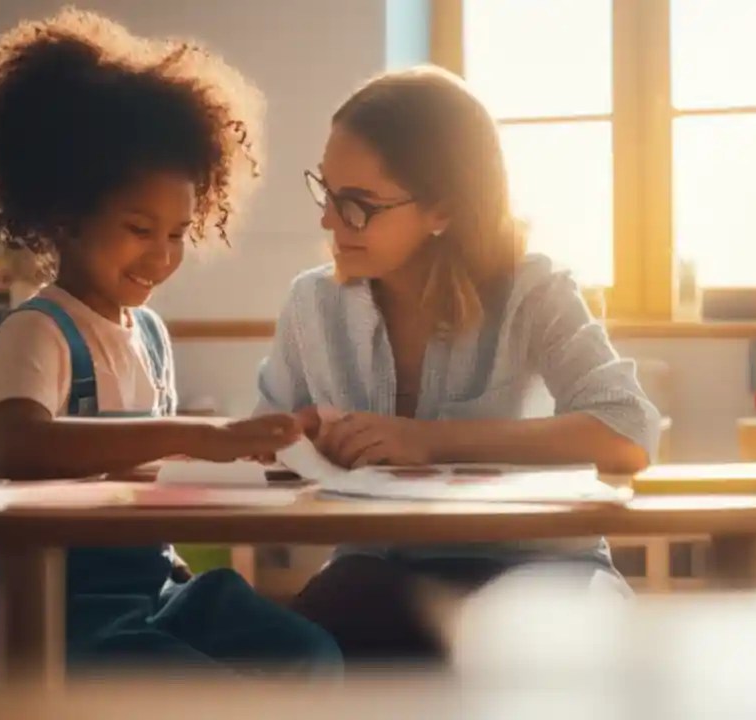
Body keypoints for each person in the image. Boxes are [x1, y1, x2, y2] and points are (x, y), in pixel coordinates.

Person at [0, 8, 339, 675]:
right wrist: (187, 433)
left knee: (310, 656)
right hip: (57, 613)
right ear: (65, 215)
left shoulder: (153, 338)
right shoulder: (37, 329)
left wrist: (264, 452)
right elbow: (17, 445)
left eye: (177, 233)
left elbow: (151, 472)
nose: (163, 256)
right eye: (140, 228)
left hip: (153, 593)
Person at [257, 66, 661, 660]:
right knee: (301, 648)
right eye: (326, 191)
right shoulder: (312, 303)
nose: (328, 221)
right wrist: (297, 440)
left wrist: (432, 441)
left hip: (541, 567)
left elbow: (628, 430)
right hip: (376, 570)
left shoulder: (532, 288)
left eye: (357, 205)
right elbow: (265, 447)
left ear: (443, 208)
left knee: (542, 650)